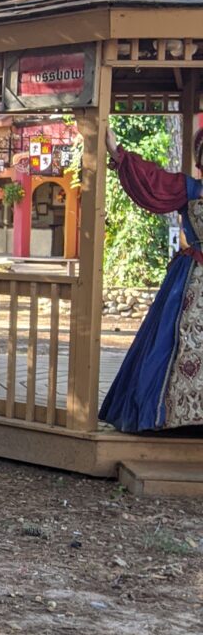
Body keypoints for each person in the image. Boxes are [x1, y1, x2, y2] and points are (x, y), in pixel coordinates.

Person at [100, 125, 203, 432]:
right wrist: (116, 152)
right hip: (194, 277)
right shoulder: (190, 190)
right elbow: (151, 181)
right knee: (172, 342)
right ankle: (170, 417)